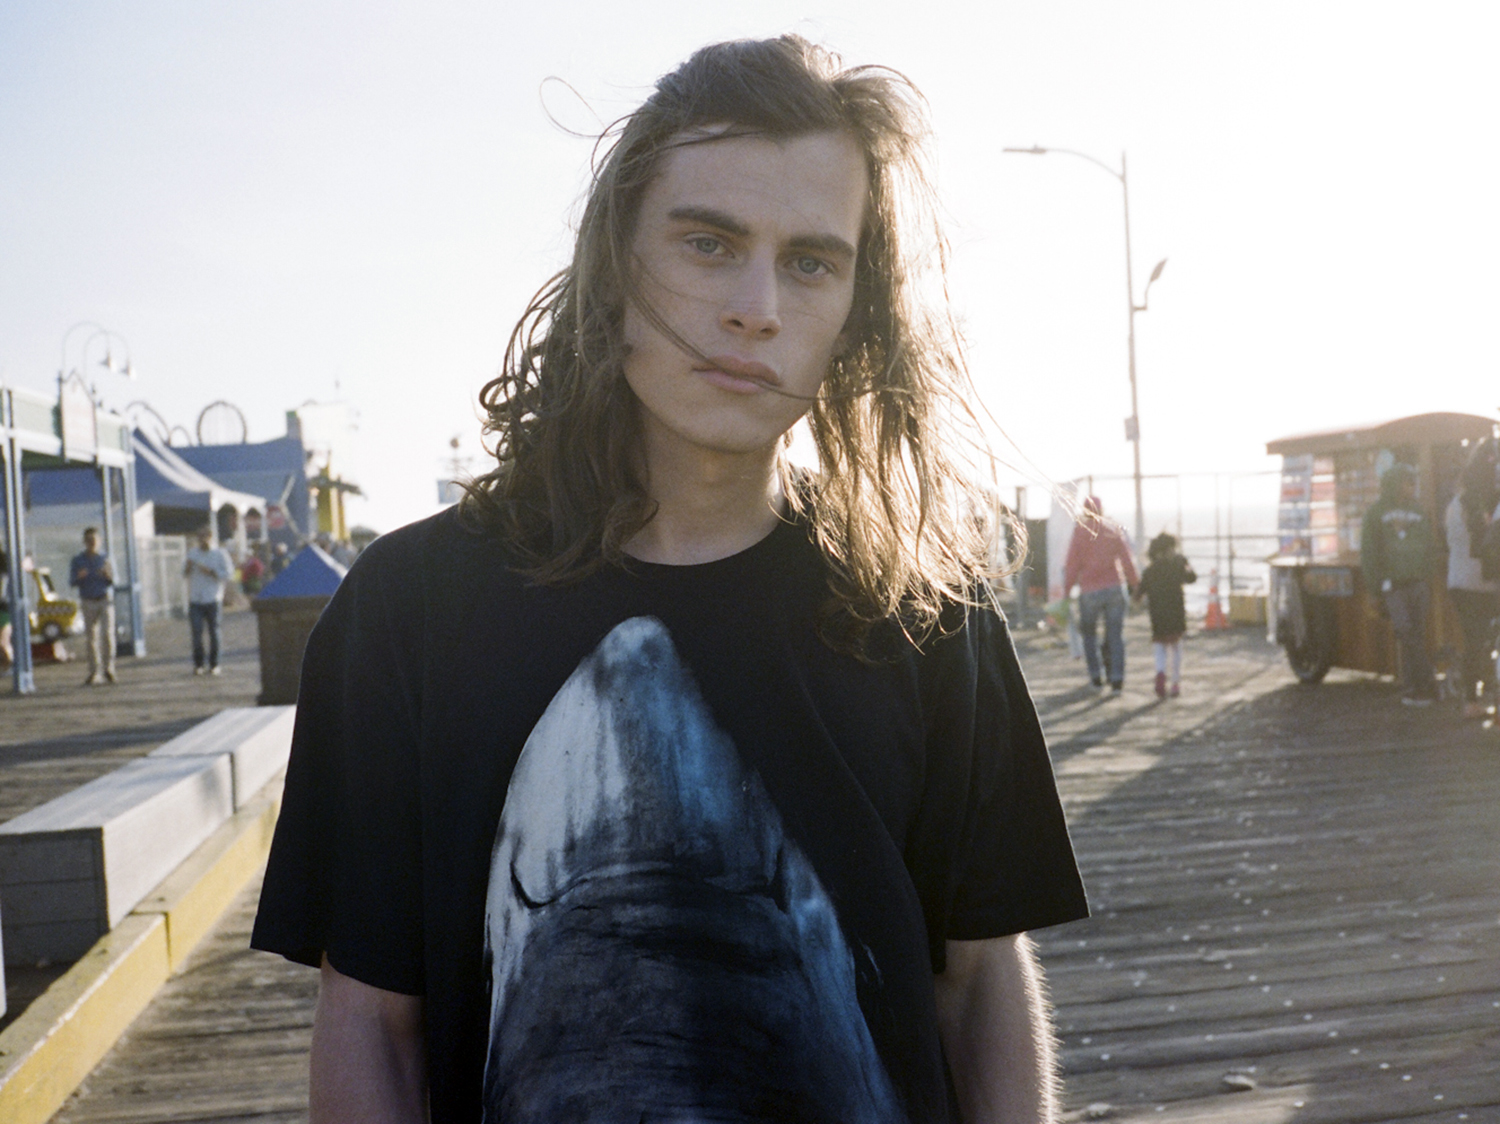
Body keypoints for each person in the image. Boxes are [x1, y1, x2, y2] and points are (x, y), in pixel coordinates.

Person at [251, 37, 1088, 1124]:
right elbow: (371, 1021)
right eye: (708, 241)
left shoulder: (928, 601)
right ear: (616, 261)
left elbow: (978, 984)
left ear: (858, 309)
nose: (757, 307)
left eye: (811, 261)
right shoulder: (408, 608)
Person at [1361, 463, 1435, 706]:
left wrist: (1427, 576)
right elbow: (1369, 553)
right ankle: (1425, 684)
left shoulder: (1419, 511)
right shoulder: (1375, 513)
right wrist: (1373, 589)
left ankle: (1414, 687)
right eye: (1408, 482)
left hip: (1418, 583)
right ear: (1395, 483)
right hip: (1393, 585)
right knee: (1407, 633)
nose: (1412, 487)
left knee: (1415, 635)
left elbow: (1429, 547)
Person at [1062, 496, 1139, 692]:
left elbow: (1072, 564)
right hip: (1114, 587)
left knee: (1089, 636)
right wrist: (1136, 585)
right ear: (1102, 508)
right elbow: (1127, 559)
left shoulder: (1080, 531)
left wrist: (1067, 590)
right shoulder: (1113, 528)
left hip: (1089, 591)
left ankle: (1096, 677)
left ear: (1085, 510)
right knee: (1115, 635)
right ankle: (1117, 679)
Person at [1446, 440, 1498, 718]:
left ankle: (1474, 698)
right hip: (1480, 583)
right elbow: (1483, 544)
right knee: (1481, 641)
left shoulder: (1457, 502)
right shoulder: (1479, 502)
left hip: (1460, 580)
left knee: (1477, 641)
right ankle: (1473, 699)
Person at [1134, 531, 1196, 699]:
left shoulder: (1150, 570)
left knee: (1160, 646)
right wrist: (1187, 565)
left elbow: (1139, 591)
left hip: (1157, 613)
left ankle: (1160, 673)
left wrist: (1136, 598)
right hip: (1176, 610)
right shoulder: (1178, 564)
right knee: (1176, 647)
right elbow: (1192, 578)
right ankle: (1175, 683)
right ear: (1170, 549)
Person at [69, 526, 116, 685]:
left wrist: (107, 575)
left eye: (94, 540)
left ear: (99, 541)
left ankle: (109, 668)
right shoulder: (78, 560)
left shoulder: (105, 558)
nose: (92, 543)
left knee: (107, 635)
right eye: (88, 540)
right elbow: (72, 582)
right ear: (84, 542)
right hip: (88, 599)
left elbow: (114, 580)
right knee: (91, 637)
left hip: (104, 599)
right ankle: (94, 671)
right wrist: (79, 577)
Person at [183, 527, 232, 676]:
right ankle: (198, 664)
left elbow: (229, 574)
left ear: (210, 537)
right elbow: (184, 573)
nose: (202, 540)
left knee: (214, 632)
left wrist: (211, 572)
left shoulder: (220, 553)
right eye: (199, 537)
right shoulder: (193, 554)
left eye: (205, 536)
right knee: (196, 633)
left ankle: (214, 664)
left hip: (213, 598)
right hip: (196, 599)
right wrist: (188, 567)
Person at [0, 545, 12, 668]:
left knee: (3, 642)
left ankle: (7, 665)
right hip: (4, 606)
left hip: (3, 607)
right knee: (3, 642)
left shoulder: (4, 564)